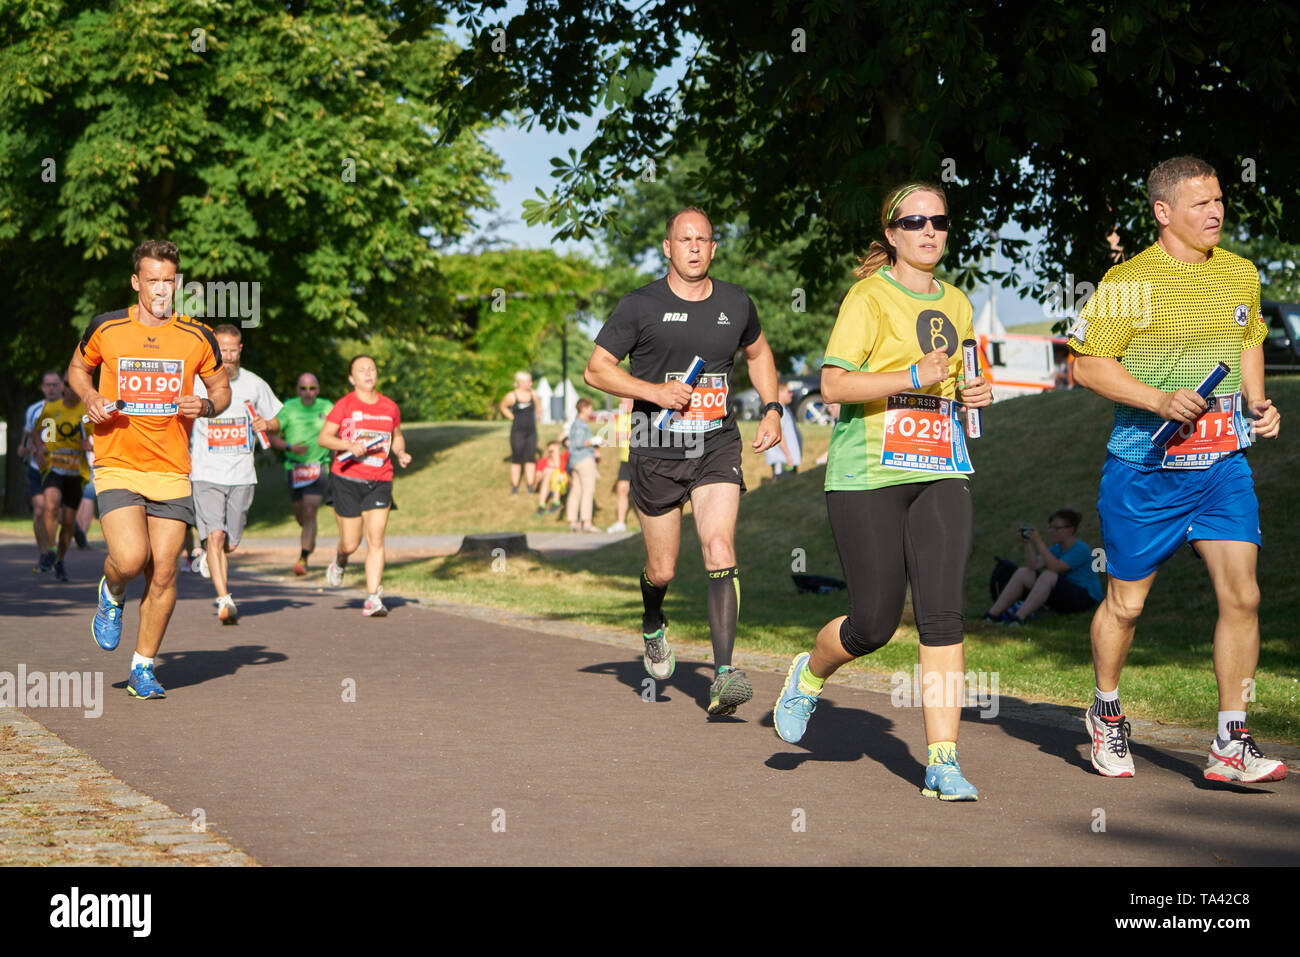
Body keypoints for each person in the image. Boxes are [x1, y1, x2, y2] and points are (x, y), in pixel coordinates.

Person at [771, 182, 993, 800]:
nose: (930, 231)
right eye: (916, 221)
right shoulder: (867, 297)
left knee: (944, 617)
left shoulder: (959, 302)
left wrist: (973, 393)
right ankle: (809, 674)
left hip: (942, 468)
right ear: (892, 234)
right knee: (873, 624)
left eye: (940, 221)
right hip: (867, 472)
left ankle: (942, 761)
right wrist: (910, 375)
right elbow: (833, 386)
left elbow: (963, 380)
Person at [1069, 156, 1286, 783]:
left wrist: (1257, 404)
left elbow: (1249, 337)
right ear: (1164, 212)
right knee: (1127, 606)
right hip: (1146, 469)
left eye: (1219, 200)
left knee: (1243, 594)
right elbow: (1086, 365)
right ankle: (1106, 712)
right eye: (1200, 203)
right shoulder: (1127, 283)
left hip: (1221, 465)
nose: (1216, 211)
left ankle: (1230, 741)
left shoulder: (1239, 274)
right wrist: (1160, 400)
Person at [584, 206, 782, 716]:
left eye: (704, 239)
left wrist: (773, 408)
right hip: (655, 445)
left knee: (718, 545)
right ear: (667, 248)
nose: (694, 246)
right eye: (684, 238)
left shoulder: (736, 303)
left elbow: (758, 354)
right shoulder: (640, 306)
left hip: (716, 444)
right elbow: (597, 369)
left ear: (714, 249)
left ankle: (723, 675)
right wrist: (654, 391)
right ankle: (654, 620)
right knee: (663, 568)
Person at [68, 239, 230, 700]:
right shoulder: (107, 327)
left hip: (171, 467)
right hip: (118, 461)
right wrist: (92, 397)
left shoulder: (197, 336)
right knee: (132, 558)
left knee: (164, 571)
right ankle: (112, 589)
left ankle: (143, 668)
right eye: (153, 280)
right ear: (137, 282)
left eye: (169, 280)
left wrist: (207, 404)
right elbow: (78, 370)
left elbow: (221, 390)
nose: (162, 289)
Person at [189, 323, 282, 624]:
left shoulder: (254, 385)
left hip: (242, 475)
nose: (227, 357)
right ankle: (224, 598)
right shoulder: (196, 383)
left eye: (232, 350)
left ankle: (209, 553)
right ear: (213, 349)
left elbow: (278, 420)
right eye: (222, 350)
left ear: (240, 349)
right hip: (205, 472)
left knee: (230, 542)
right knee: (215, 535)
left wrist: (267, 426)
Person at [319, 355, 411, 617]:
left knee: (376, 538)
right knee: (350, 543)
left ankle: (372, 597)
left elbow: (397, 436)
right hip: (346, 479)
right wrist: (349, 445)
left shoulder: (390, 406)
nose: (368, 373)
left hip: (380, 479)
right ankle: (340, 560)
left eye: (371, 368)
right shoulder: (345, 405)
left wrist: (401, 452)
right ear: (352, 379)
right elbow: (324, 438)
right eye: (361, 370)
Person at [983, 509, 1103, 624]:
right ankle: (992, 615)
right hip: (1066, 595)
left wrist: (1039, 541)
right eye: (1051, 527)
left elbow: (1056, 568)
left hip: (1085, 598)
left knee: (1048, 575)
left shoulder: (1080, 549)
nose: (1052, 531)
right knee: (1023, 572)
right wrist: (1028, 544)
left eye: (1057, 528)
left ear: (1070, 530)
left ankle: (1019, 617)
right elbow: (1034, 565)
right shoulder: (1057, 548)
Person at [269, 372, 333, 575]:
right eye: (303, 388)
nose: (308, 392)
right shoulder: (288, 408)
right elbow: (272, 436)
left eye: (312, 388)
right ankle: (309, 536)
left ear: (318, 390)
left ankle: (303, 558)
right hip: (295, 468)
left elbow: (338, 431)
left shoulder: (326, 407)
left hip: (319, 466)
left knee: (309, 510)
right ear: (297, 390)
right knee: (301, 516)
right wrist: (290, 447)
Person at [33, 376, 91, 581]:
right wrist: (40, 450)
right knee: (51, 505)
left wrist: (90, 445)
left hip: (76, 473)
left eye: (76, 387)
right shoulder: (51, 409)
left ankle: (59, 559)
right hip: (54, 469)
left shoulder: (85, 411)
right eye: (68, 386)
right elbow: (37, 432)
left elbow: (99, 438)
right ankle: (49, 550)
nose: (72, 390)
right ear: (64, 387)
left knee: (68, 523)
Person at [20, 370, 65, 570]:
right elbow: (27, 435)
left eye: (55, 385)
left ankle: (59, 546)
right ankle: (44, 553)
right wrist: (24, 447)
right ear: (42, 387)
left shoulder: (72, 409)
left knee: (56, 513)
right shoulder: (33, 410)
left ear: (61, 386)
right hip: (37, 467)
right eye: (48, 385)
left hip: (62, 470)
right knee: (39, 511)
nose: (52, 388)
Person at [499, 371, 538, 495]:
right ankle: (515, 486)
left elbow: (538, 407)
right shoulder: (512, 396)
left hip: (531, 430)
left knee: (530, 457)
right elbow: (502, 407)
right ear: (520, 383)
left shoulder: (534, 394)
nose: (530, 383)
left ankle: (530, 485)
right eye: (528, 381)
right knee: (517, 457)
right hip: (517, 431)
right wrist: (512, 417)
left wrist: (540, 415)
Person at [566, 398, 601, 532]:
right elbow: (581, 442)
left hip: (574, 460)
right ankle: (587, 521)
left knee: (576, 490)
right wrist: (594, 440)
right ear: (583, 408)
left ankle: (573, 521)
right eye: (590, 408)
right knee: (588, 490)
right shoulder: (581, 425)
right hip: (584, 459)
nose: (591, 411)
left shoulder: (575, 423)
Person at [764, 381, 803, 479]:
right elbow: (779, 435)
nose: (792, 394)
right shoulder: (775, 412)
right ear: (779, 392)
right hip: (783, 461)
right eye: (788, 392)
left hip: (789, 460)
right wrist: (788, 457)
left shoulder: (786, 410)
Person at [607, 396, 633, 532]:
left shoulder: (638, 416)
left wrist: (627, 434)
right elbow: (615, 436)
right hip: (625, 458)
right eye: (621, 403)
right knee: (621, 489)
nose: (622, 405)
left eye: (624, 402)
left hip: (639, 458)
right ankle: (620, 522)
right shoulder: (621, 418)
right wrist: (628, 434)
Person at [535, 440, 565, 515]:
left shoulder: (563, 460)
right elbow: (538, 478)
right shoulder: (542, 461)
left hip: (561, 484)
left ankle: (555, 502)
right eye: (550, 451)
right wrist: (545, 473)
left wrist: (556, 457)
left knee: (555, 474)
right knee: (548, 475)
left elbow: (559, 468)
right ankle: (542, 505)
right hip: (546, 484)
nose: (552, 453)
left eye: (554, 451)